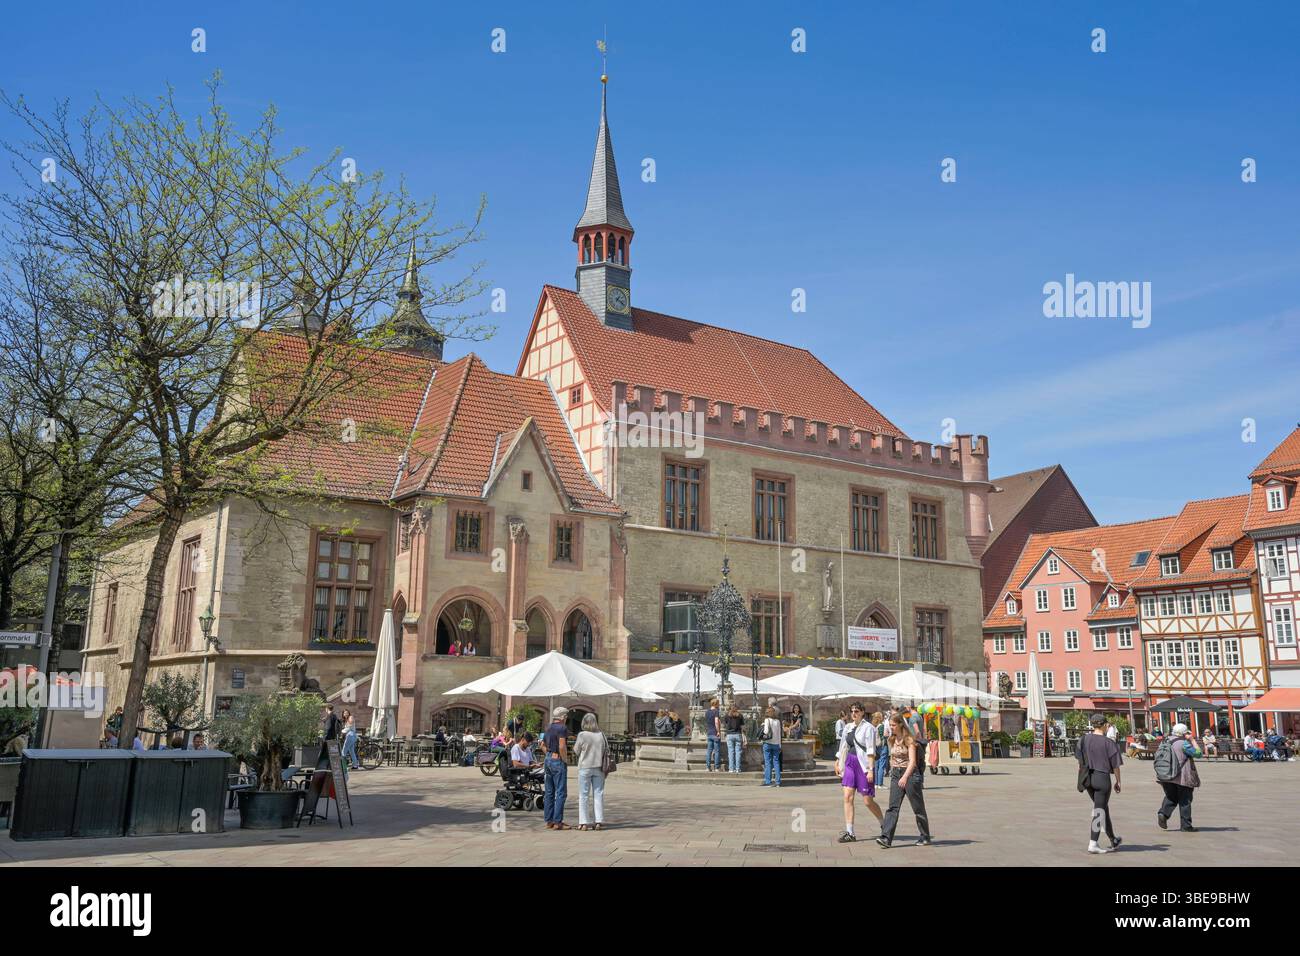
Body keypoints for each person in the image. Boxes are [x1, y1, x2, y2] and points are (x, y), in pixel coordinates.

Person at [878, 713, 932, 848]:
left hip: (910, 775)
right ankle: (886, 838)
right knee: (893, 807)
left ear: (901, 724)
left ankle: (925, 836)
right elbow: (892, 757)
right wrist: (892, 771)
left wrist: (905, 777)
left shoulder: (909, 740)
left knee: (918, 807)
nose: (891, 728)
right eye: (890, 725)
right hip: (896, 774)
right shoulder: (891, 739)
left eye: (893, 725)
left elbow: (912, 762)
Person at [835, 702, 883, 843]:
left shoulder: (868, 728)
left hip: (863, 765)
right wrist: (837, 761)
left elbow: (870, 750)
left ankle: (884, 824)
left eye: (857, 711)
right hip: (850, 762)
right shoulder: (848, 727)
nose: (854, 713)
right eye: (852, 711)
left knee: (868, 801)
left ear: (862, 712)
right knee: (848, 797)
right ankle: (850, 832)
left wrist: (870, 770)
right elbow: (843, 744)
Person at [1077, 714, 1124, 854]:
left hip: (1088, 778)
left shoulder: (1083, 739)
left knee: (1103, 808)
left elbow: (1079, 761)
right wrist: (1118, 781)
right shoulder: (1109, 743)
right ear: (1104, 725)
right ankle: (1093, 843)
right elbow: (1116, 765)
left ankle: (1113, 839)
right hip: (1102, 778)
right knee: (1099, 811)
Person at [1155, 723, 1201, 832]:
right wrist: (1193, 740)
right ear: (1184, 733)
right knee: (1185, 800)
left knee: (1171, 797)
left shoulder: (1165, 741)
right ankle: (1186, 825)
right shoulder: (1184, 744)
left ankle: (1163, 813)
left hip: (1166, 775)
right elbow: (1198, 753)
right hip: (1182, 776)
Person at [574, 713, 607, 830]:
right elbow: (605, 750)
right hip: (599, 767)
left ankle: (584, 822)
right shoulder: (601, 735)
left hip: (585, 767)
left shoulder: (582, 735)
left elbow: (576, 750)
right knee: (598, 794)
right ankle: (599, 820)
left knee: (583, 795)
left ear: (584, 722)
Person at [542, 707, 571, 830]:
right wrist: (564, 759)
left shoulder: (548, 727)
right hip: (557, 760)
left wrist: (548, 755)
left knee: (549, 792)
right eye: (567, 716)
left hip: (548, 759)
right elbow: (562, 745)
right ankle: (558, 821)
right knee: (560, 792)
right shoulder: (562, 728)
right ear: (563, 717)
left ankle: (549, 821)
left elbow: (542, 744)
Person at [760, 706, 783, 787]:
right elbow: (779, 734)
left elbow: (766, 731)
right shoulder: (778, 721)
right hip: (776, 744)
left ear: (768, 713)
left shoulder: (767, 720)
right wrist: (780, 745)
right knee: (776, 762)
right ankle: (778, 782)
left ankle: (768, 781)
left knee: (768, 762)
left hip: (768, 743)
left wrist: (762, 725)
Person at [723, 703, 745, 773]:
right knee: (738, 752)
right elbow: (742, 726)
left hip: (729, 735)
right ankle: (738, 768)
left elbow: (725, 723)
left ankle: (731, 769)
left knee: (731, 752)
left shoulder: (727, 715)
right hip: (738, 734)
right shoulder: (740, 715)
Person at [704, 697, 722, 772]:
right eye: (718, 703)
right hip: (715, 733)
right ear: (716, 704)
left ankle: (708, 767)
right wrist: (718, 731)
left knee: (709, 751)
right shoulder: (716, 711)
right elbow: (716, 722)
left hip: (709, 732)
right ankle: (717, 767)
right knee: (717, 751)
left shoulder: (707, 711)